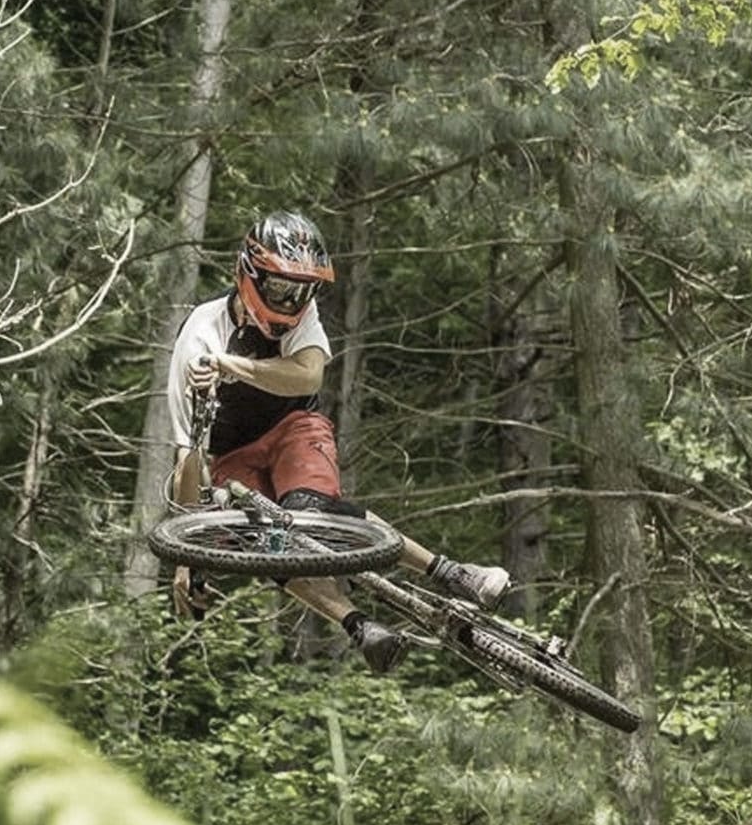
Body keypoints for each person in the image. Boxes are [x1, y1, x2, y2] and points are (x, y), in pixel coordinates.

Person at [166, 210, 510, 673]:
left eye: (304, 290)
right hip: (228, 454)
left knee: (312, 511)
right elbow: (189, 452)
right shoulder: (200, 334)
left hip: (293, 429)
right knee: (265, 543)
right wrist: (189, 561)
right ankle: (360, 627)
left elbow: (307, 373)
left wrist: (230, 365)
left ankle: (453, 573)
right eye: (281, 289)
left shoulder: (301, 319)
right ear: (250, 275)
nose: (292, 302)